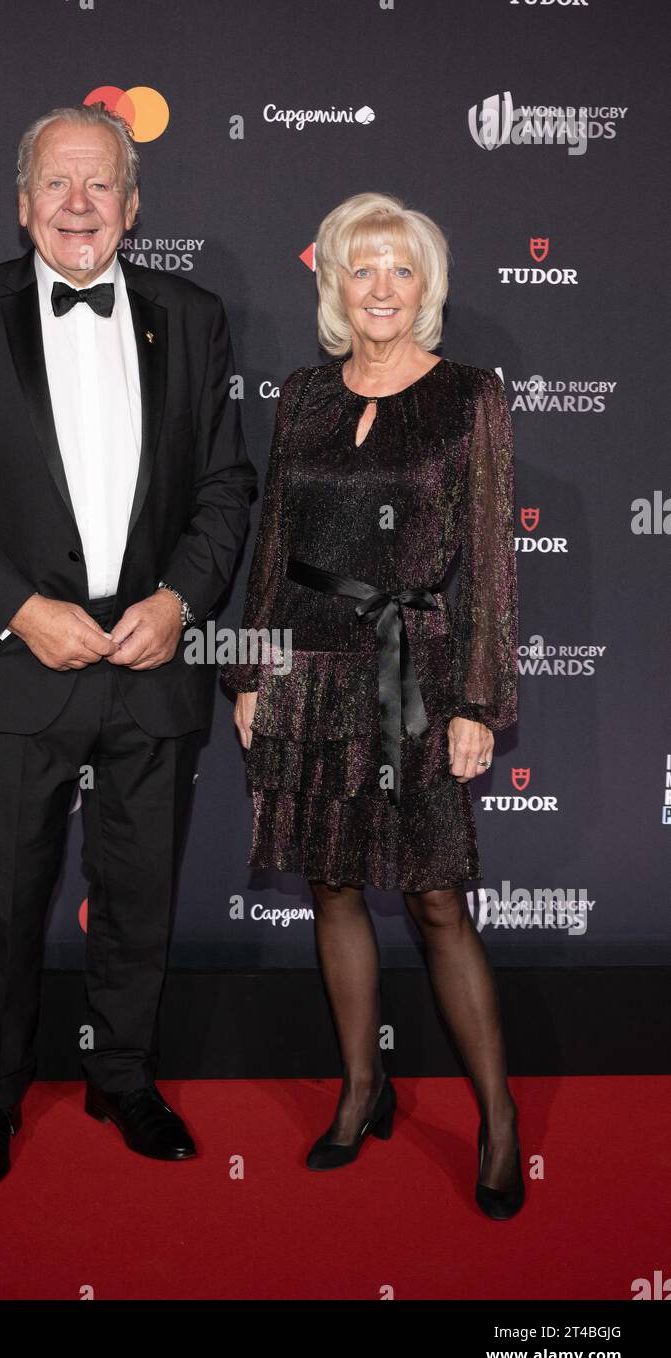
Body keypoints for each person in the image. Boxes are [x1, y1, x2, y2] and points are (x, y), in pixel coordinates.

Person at [0, 102, 254, 1189]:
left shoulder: (191, 317)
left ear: (132, 208)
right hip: (9, 671)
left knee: (139, 897)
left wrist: (181, 600)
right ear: (20, 204)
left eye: (100, 185)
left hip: (148, 670)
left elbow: (227, 488)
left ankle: (125, 1078)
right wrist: (20, 610)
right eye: (57, 183)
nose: (79, 204)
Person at [222, 191, 524, 1219]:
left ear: (425, 288)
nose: (381, 288)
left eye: (400, 270)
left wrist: (475, 699)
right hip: (308, 671)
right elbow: (272, 549)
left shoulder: (468, 396)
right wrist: (250, 673)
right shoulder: (301, 397)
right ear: (335, 285)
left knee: (436, 896)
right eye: (362, 269)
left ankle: (496, 1120)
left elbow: (486, 563)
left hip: (413, 674)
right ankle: (360, 1089)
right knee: (333, 886)